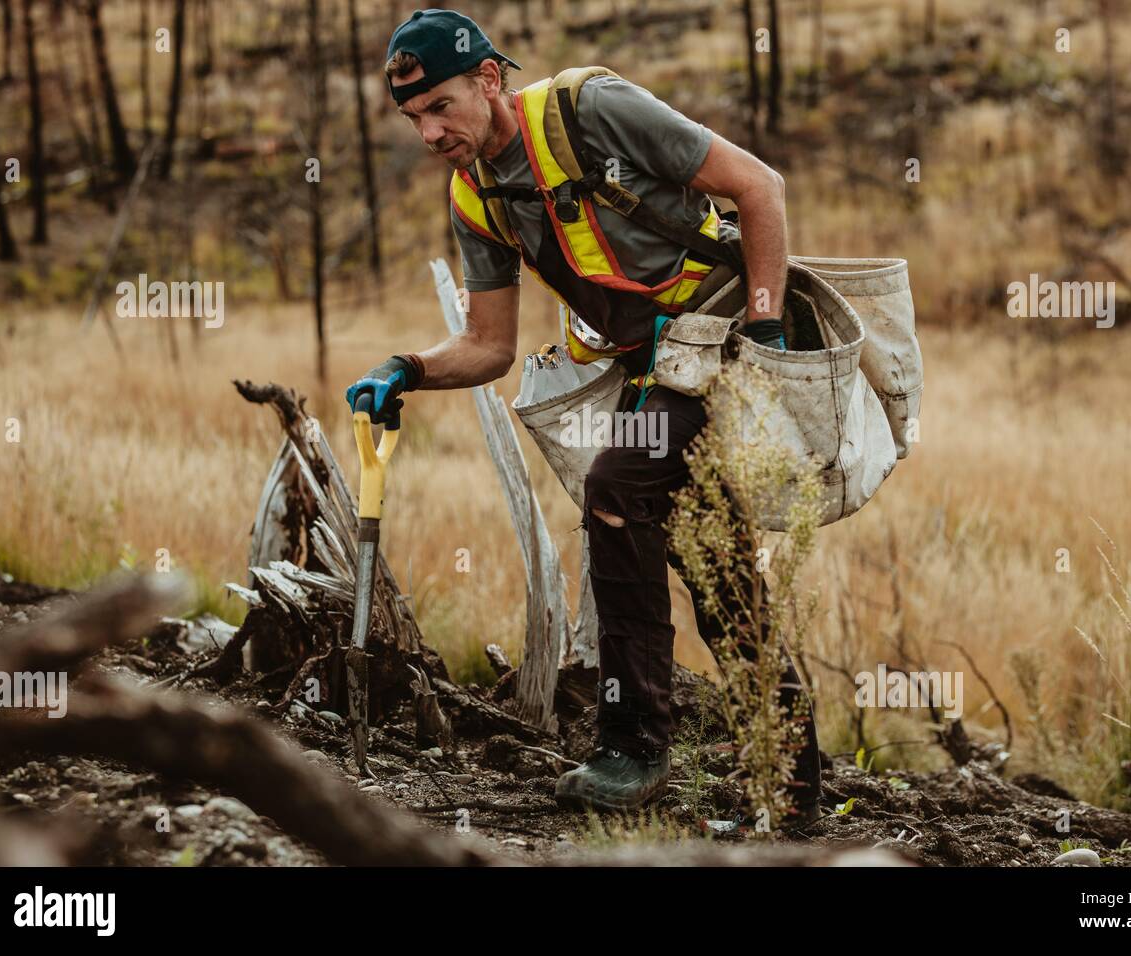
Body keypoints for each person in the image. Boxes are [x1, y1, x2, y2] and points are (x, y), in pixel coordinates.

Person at [347, 8, 822, 826]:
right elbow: (489, 347)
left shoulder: (589, 109)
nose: (429, 133)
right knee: (716, 567)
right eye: (413, 117)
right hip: (654, 369)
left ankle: (633, 748)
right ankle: (795, 785)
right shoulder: (477, 197)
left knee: (614, 490)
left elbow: (760, 187)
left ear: (490, 80)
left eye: (441, 107)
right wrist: (408, 369)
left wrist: (769, 328)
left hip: (722, 329)